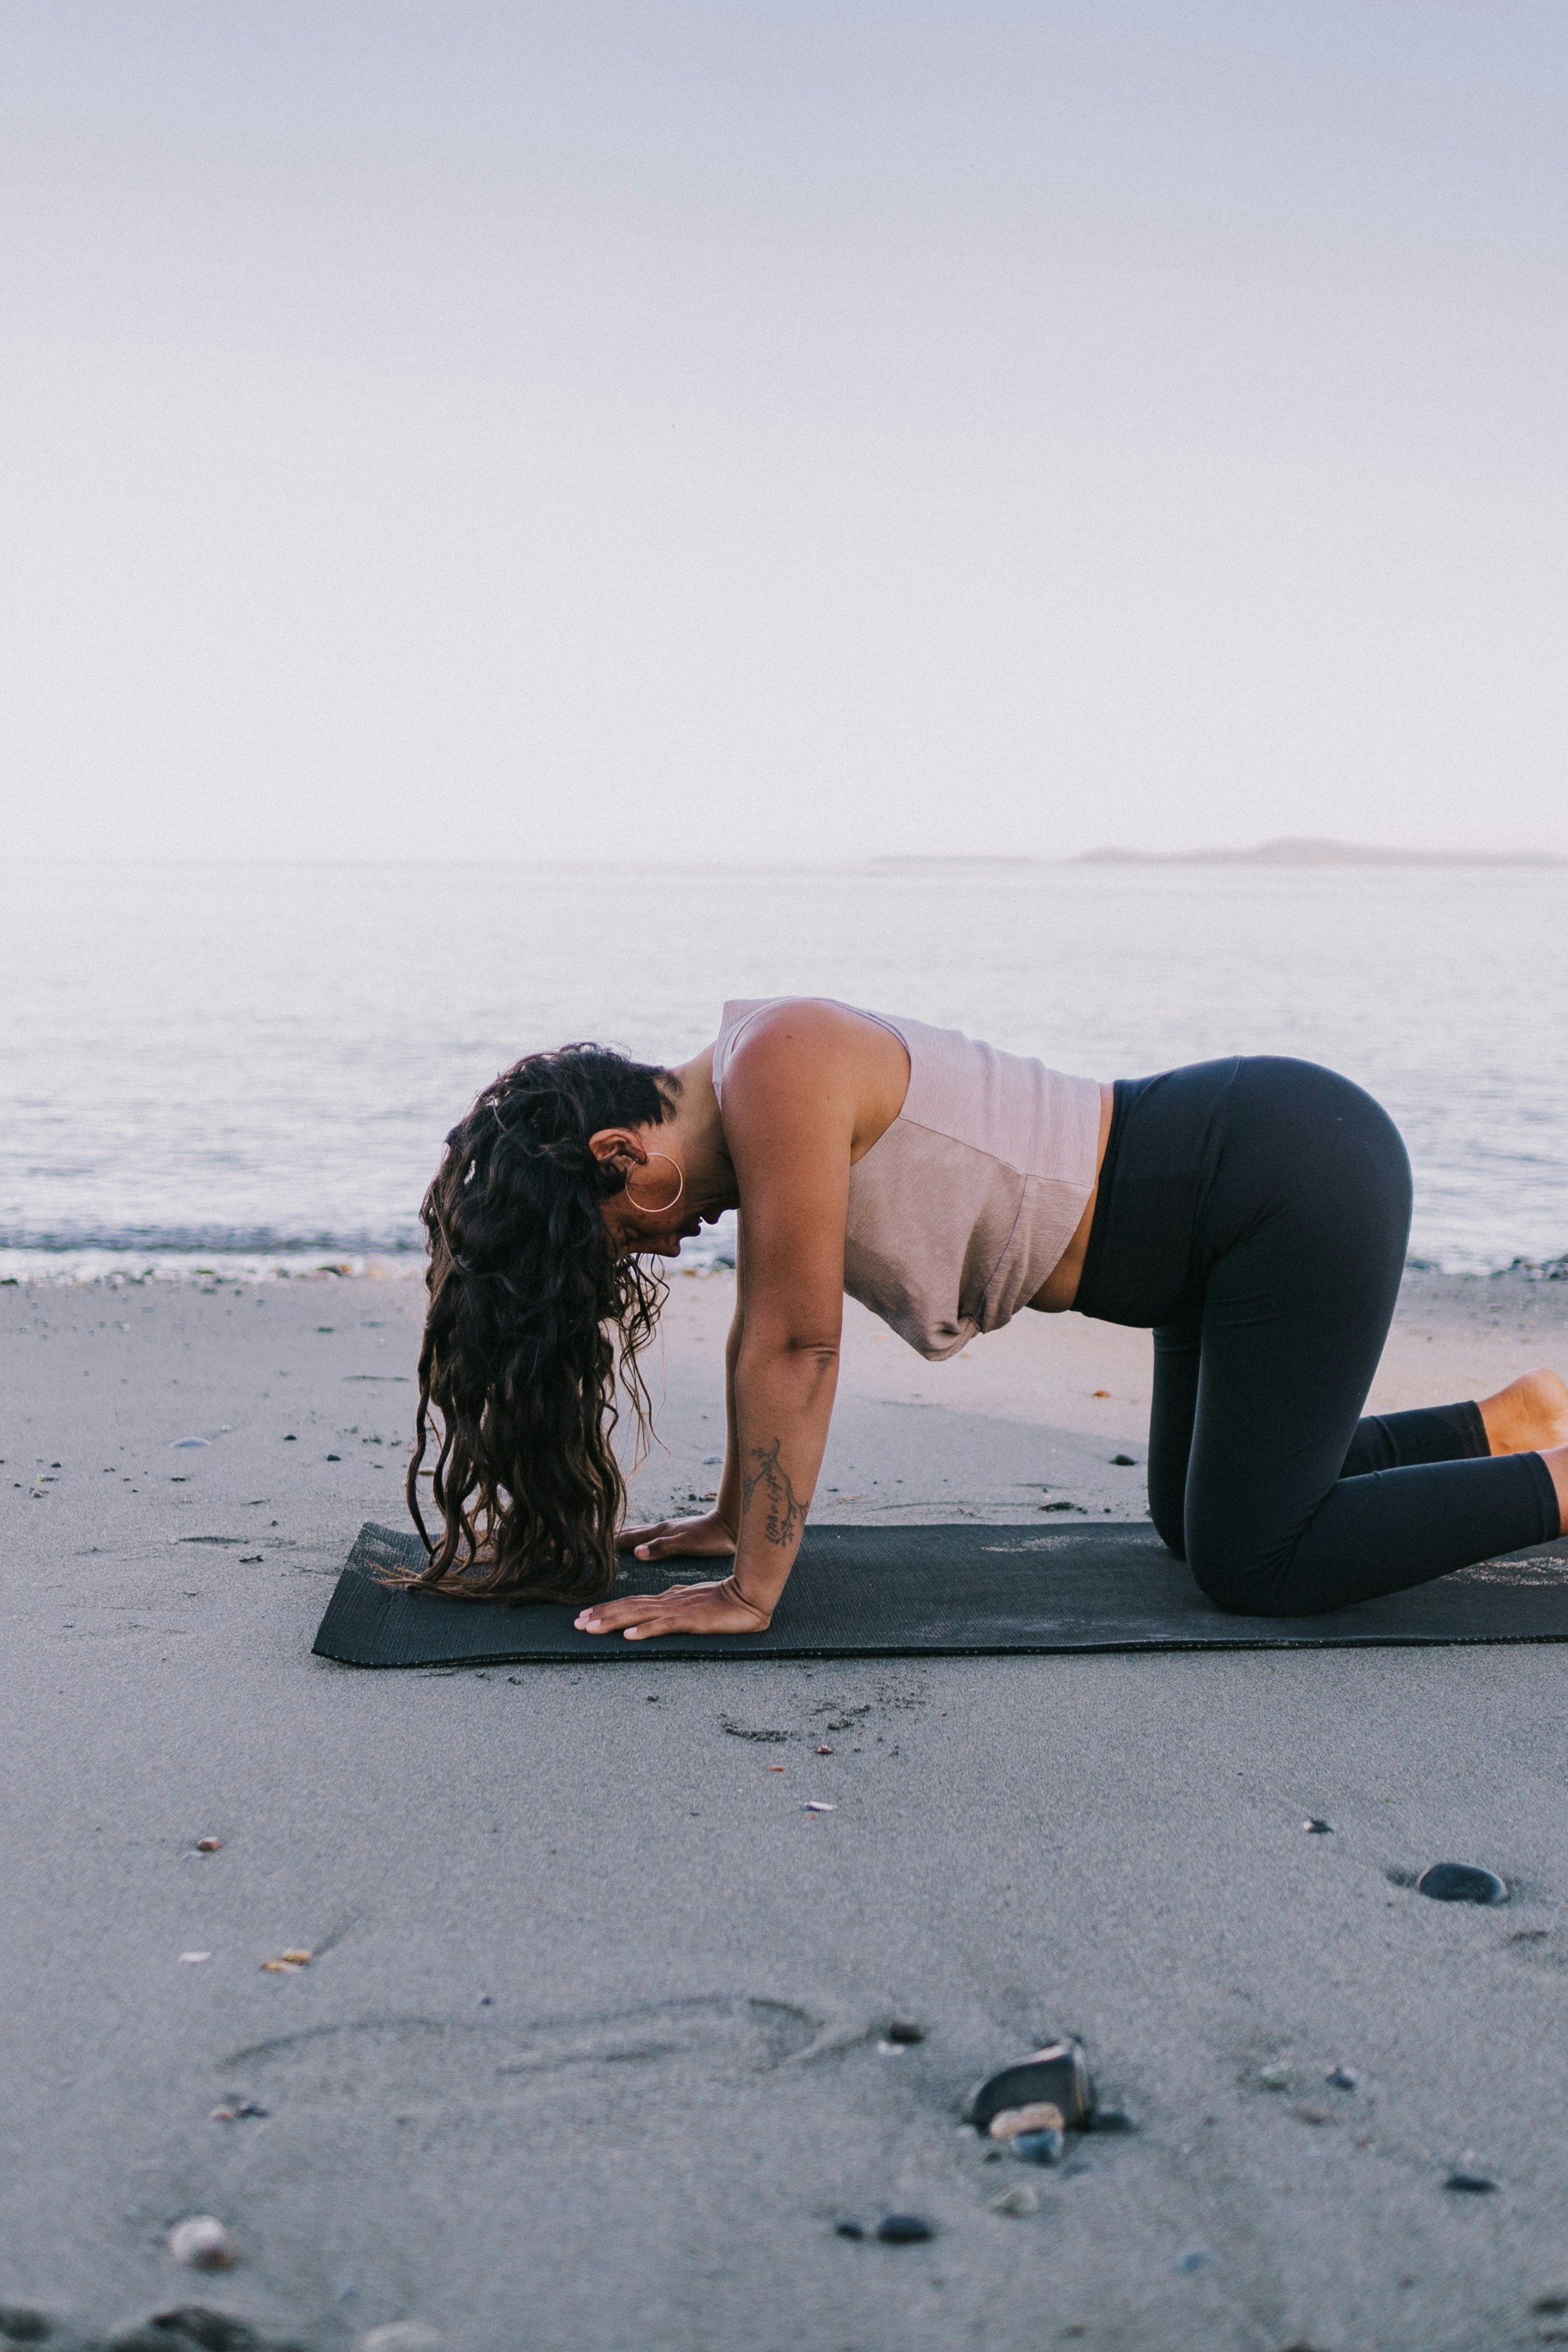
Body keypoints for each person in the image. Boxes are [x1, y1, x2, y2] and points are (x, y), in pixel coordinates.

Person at [402, 997, 1567, 1639]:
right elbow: (772, 1323)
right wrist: (726, 1515)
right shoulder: (761, 1081)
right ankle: (1504, 1426)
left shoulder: (779, 1064)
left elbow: (795, 1345)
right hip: (1235, 1201)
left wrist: (752, 1589)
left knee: (1259, 1560)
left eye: (614, 1234)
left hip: (1279, 1182)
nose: (650, 1251)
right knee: (1194, 1519)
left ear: (619, 1153)